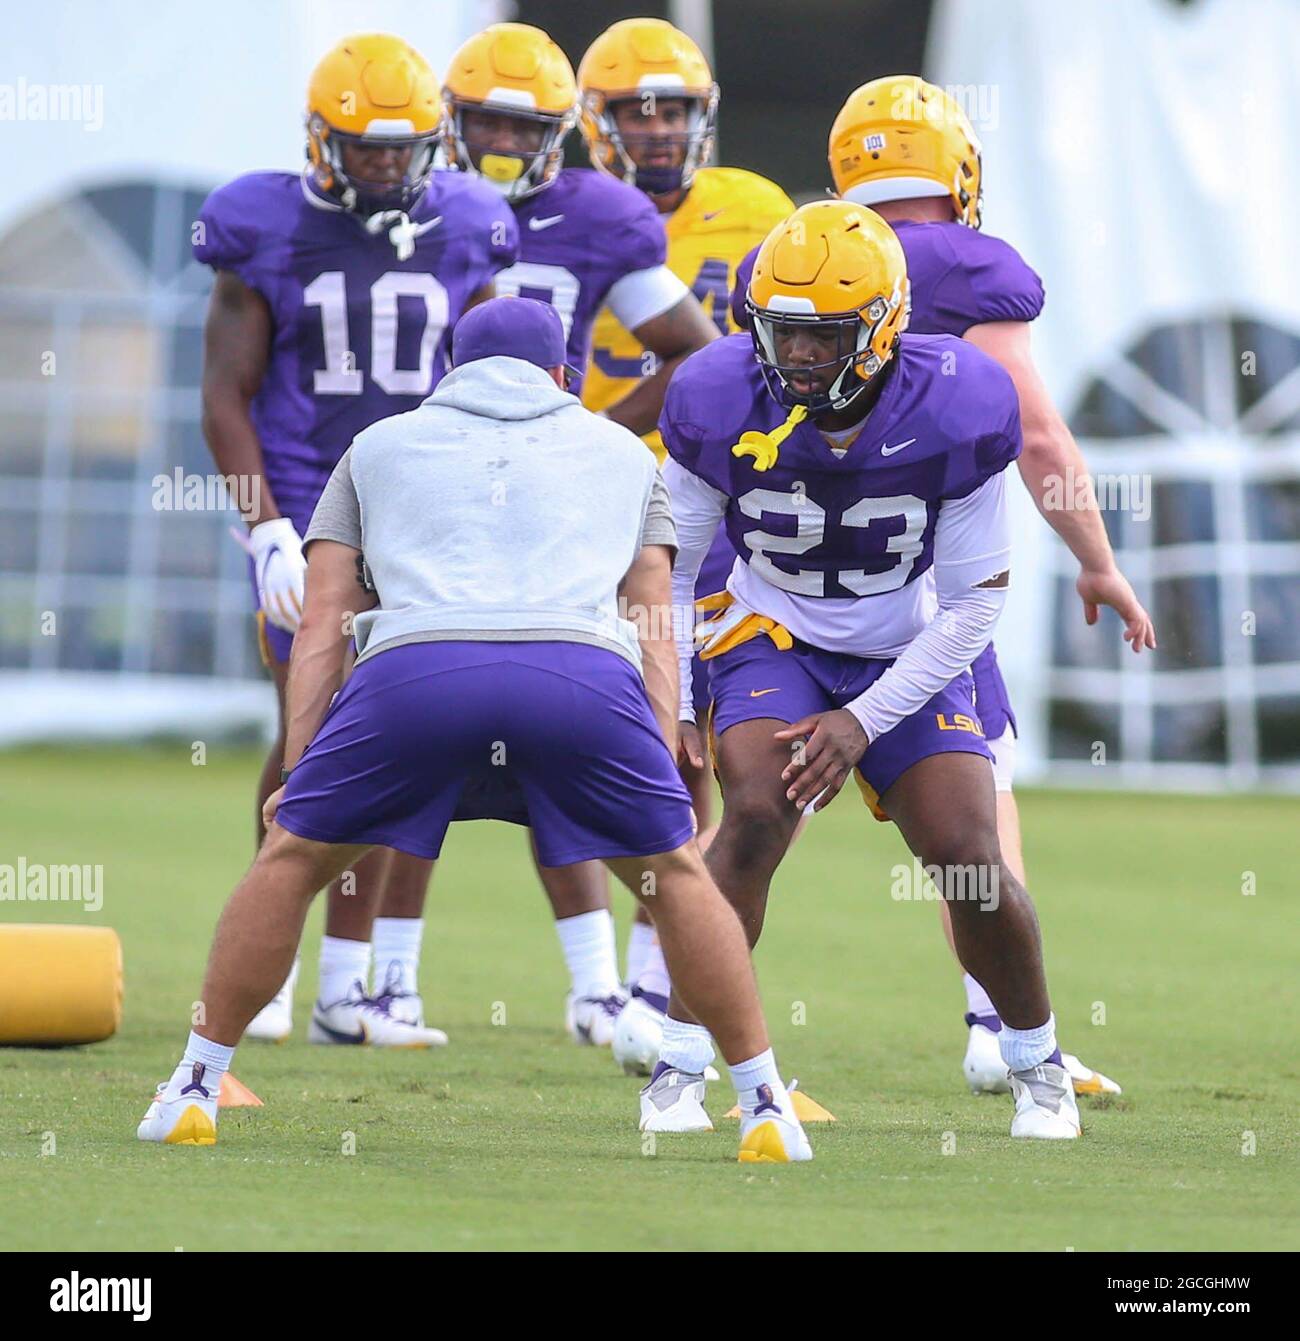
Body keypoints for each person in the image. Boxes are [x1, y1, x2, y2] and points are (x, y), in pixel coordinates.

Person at [138, 297, 812, 1165]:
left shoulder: (376, 446)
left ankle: (195, 1083)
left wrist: (297, 778)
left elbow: (322, 622)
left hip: (415, 673)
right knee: (677, 879)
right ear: (566, 377)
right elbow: (654, 617)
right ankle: (763, 1102)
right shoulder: (620, 451)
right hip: (578, 679)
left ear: (446, 373)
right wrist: (655, 742)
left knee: (291, 861)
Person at [653, 200, 1082, 1140]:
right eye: (784, 331)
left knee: (969, 856)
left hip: (909, 640)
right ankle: (678, 1064)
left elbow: (974, 602)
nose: (798, 356)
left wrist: (864, 720)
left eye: (823, 336)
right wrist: (676, 700)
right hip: (772, 631)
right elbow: (671, 573)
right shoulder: (715, 392)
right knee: (756, 811)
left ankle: (1036, 1061)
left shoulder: (961, 401)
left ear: (884, 327)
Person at [346, 21, 721, 1051]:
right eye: (488, 125)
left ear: (562, 132)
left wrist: (595, 435)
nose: (506, 147)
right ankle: (385, 982)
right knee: (412, 737)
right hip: (429, 490)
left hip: (556, 500)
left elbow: (696, 354)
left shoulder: (601, 217)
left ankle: (600, 988)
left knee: (570, 737)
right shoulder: (411, 207)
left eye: (526, 127)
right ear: (448, 127)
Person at [826, 75, 1152, 1095]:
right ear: (957, 169)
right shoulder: (973, 267)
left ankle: (672, 1031)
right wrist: (1095, 560)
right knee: (978, 798)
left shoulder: (803, 256)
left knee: (749, 817)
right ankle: (995, 1028)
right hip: (919, 588)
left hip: (784, 575)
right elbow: (1038, 435)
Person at [195, 32, 518, 1046]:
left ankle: (345, 987)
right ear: (321, 143)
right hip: (308, 510)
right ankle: (274, 965)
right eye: (365, 149)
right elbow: (224, 393)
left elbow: (490, 375)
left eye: (401, 149)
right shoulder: (261, 222)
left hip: (423, 515)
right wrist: (266, 533)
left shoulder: (469, 222)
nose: (386, 166)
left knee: (406, 739)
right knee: (311, 735)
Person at [574, 16, 795, 1074]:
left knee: (706, 747)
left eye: (673, 109)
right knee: (620, 742)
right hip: (586, 509)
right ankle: (616, 984)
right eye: (633, 109)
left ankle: (653, 990)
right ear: (595, 123)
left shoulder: (758, 212)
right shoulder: (572, 214)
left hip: (712, 511)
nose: (657, 129)